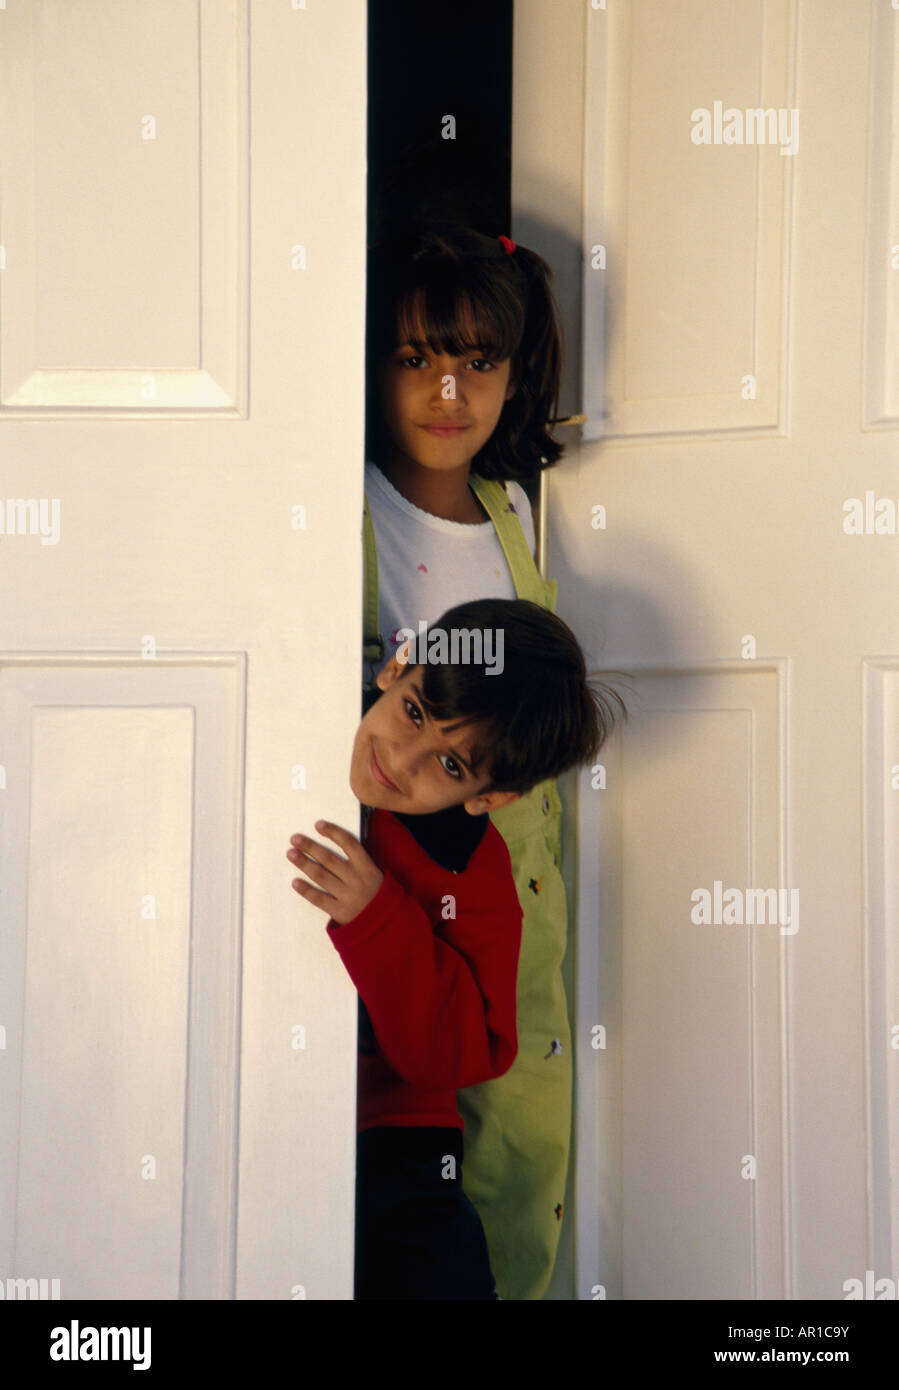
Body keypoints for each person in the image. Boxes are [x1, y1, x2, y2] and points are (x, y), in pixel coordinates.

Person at [361, 223, 585, 1298]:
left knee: (522, 1110)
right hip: (403, 863)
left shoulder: (513, 516)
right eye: (415, 359)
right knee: (421, 1109)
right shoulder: (345, 507)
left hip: (512, 869)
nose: (447, 392)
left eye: (477, 362)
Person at [287, 598, 625, 1300]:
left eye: (447, 762)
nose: (398, 759)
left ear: (489, 798)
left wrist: (378, 915)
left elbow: (465, 1054)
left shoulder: (469, 870)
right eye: (413, 712)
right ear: (399, 670)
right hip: (268, 1109)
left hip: (396, 1142)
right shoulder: (295, 716)